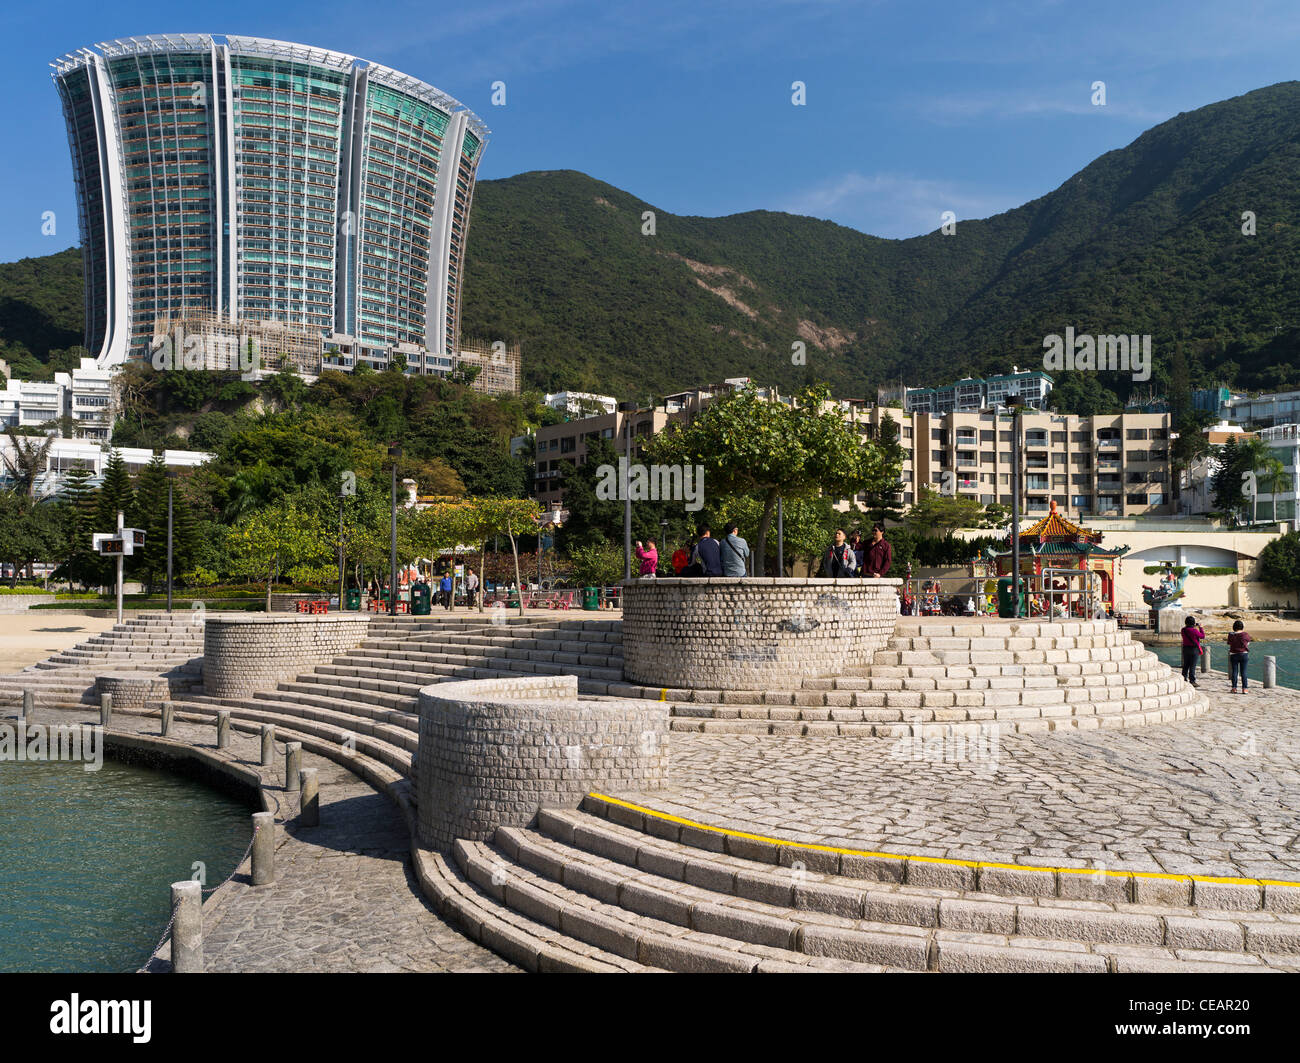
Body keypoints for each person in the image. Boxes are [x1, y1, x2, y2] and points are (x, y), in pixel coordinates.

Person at [1227, 619, 1253, 693]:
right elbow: (1248, 642)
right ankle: (1245, 688)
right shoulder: (1245, 634)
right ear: (1242, 627)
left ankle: (1234, 688)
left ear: (1234, 627)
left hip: (1234, 654)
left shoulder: (1231, 635)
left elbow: (1229, 643)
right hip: (1244, 654)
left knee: (1234, 672)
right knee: (1244, 672)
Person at [1181, 614, 1206, 687]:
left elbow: (1189, 632)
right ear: (1193, 623)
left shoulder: (1183, 630)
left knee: (1186, 664)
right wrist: (1200, 627)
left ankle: (1184, 678)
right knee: (1192, 665)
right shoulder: (1194, 630)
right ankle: (1192, 681)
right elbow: (1202, 636)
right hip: (1193, 649)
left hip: (1185, 648)